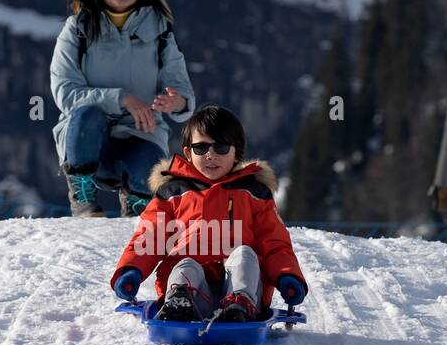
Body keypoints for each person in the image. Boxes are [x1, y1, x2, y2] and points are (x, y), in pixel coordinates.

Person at [110, 105, 308, 324]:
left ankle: (240, 304)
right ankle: (178, 304)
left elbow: (275, 243)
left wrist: (287, 275)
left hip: (245, 292)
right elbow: (148, 239)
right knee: (185, 264)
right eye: (201, 148)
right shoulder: (173, 193)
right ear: (188, 152)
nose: (211, 155)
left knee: (244, 255)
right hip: (193, 294)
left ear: (236, 153)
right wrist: (131, 270)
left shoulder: (254, 194)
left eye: (221, 147)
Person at [50, 0, 195, 218]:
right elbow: (65, 93)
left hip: (141, 134)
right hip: (88, 139)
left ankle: (137, 200)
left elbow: (181, 87)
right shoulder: (77, 29)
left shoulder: (160, 31)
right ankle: (83, 196)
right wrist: (121, 98)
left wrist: (178, 102)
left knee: (150, 169)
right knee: (86, 115)